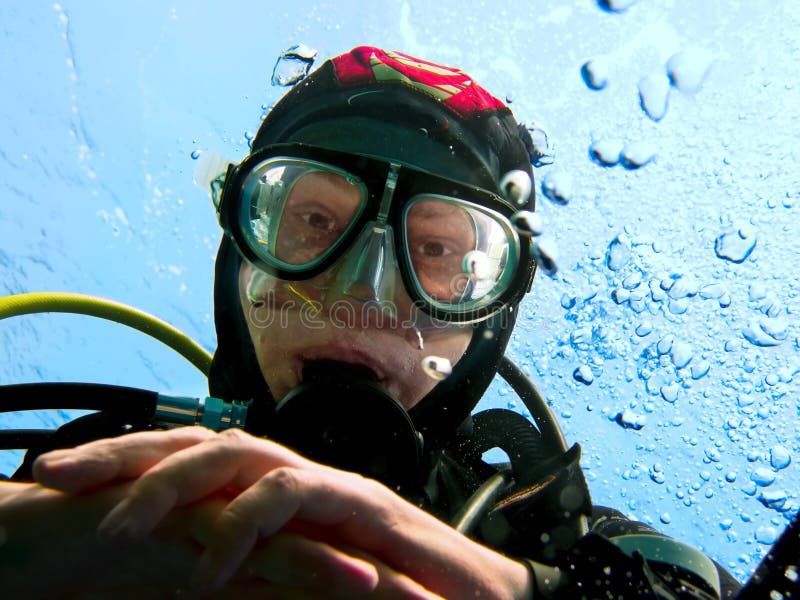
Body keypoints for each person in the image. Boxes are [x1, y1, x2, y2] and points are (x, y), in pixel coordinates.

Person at [0, 46, 741, 598]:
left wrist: (530, 592)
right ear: (242, 253)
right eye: (315, 220)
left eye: (440, 252)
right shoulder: (91, 473)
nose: (365, 291)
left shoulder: (550, 536)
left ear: (488, 315)